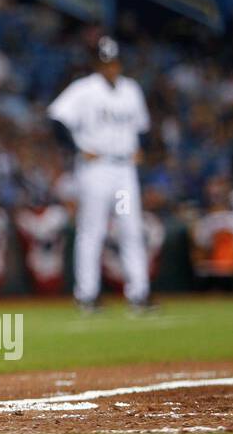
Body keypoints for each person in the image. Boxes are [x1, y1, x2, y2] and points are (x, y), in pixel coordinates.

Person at [47, 36, 154, 312]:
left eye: (115, 62)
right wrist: (77, 149)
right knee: (91, 230)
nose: (111, 67)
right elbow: (56, 120)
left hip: (124, 170)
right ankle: (87, 295)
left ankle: (139, 294)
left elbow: (143, 127)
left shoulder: (131, 89)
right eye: (105, 62)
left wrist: (141, 147)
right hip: (96, 169)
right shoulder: (84, 89)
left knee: (131, 229)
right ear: (97, 64)